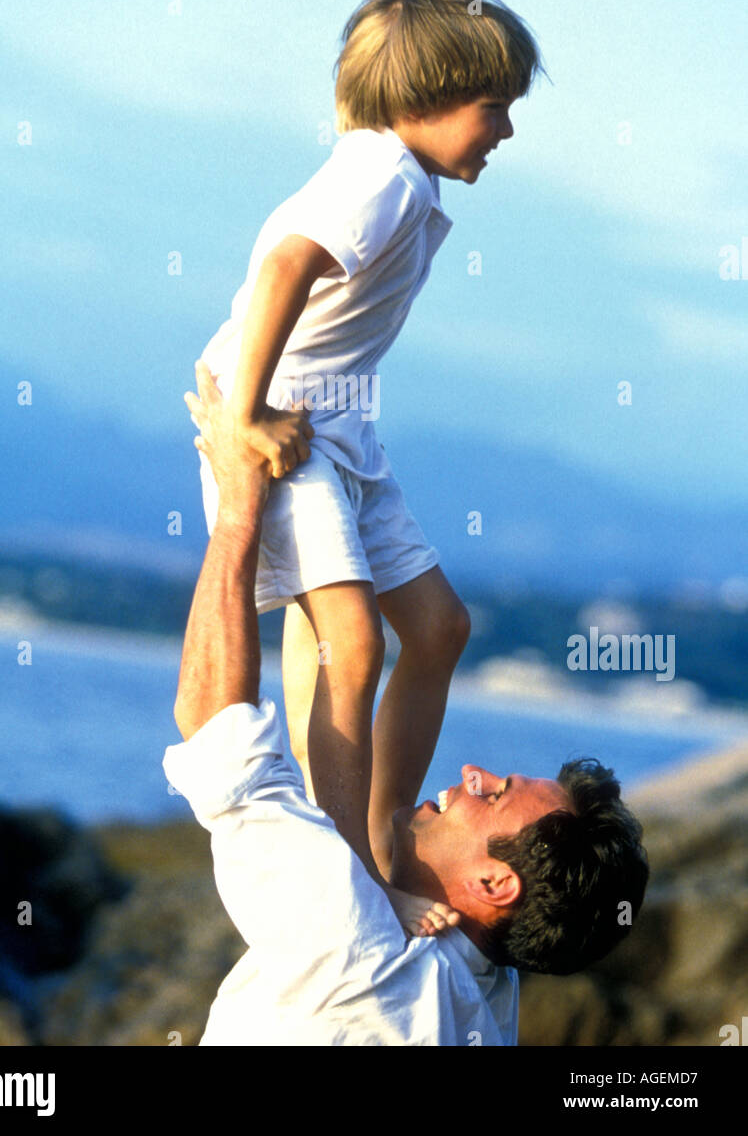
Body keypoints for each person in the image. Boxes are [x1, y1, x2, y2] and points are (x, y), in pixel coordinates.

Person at [194, 0, 546, 935]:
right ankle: (357, 872)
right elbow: (282, 267)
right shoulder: (378, 174)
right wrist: (249, 416)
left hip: (344, 431)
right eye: (494, 108)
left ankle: (384, 829)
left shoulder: (401, 176)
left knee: (437, 630)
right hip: (290, 426)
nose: (506, 131)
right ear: (419, 103)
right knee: (352, 642)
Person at [162, 365, 649, 1047]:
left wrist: (241, 493)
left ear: (494, 883)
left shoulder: (359, 952)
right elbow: (353, 716)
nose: (473, 773)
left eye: (495, 794)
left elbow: (213, 722)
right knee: (418, 638)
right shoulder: (485, 991)